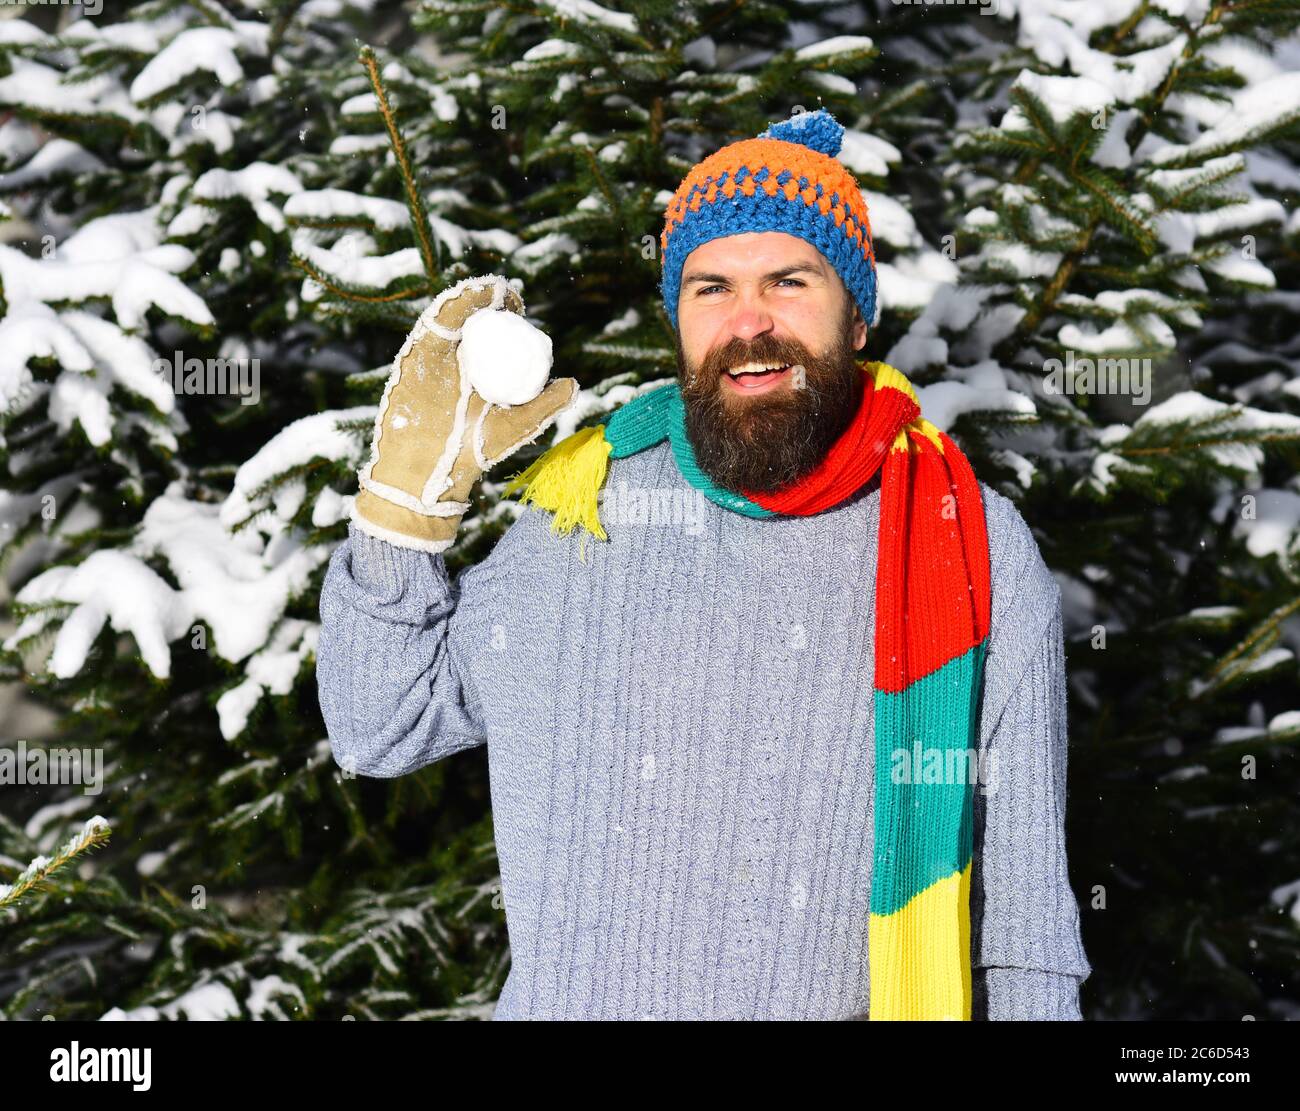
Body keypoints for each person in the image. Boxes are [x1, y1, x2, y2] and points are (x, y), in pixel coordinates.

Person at [316, 108, 1092, 1020]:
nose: (748, 321)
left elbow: (1025, 942)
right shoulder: (586, 514)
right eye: (711, 287)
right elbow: (379, 724)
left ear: (857, 316)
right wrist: (402, 509)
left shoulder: (972, 549)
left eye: (790, 281)